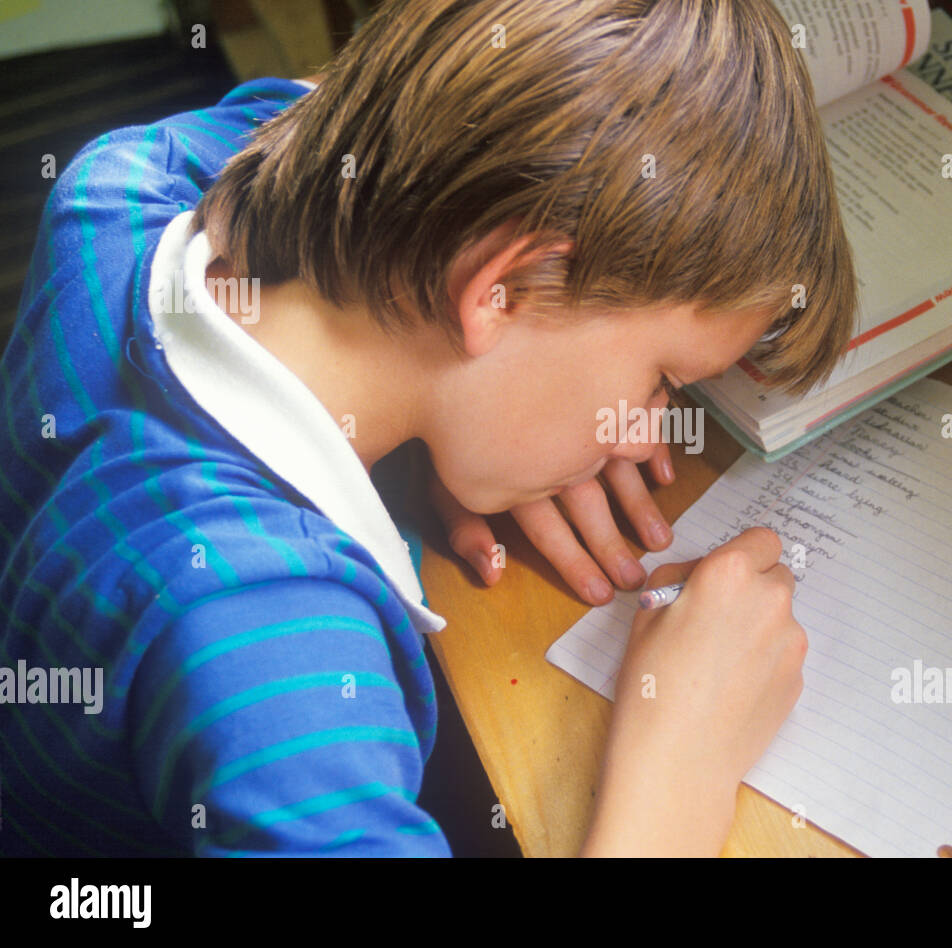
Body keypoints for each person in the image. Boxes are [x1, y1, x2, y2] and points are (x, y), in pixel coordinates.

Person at [0, 0, 855, 856]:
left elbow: (362, 108)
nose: (644, 437)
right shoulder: (275, 658)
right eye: (663, 380)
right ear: (498, 292)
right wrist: (683, 757)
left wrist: (450, 402)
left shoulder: (124, 182)